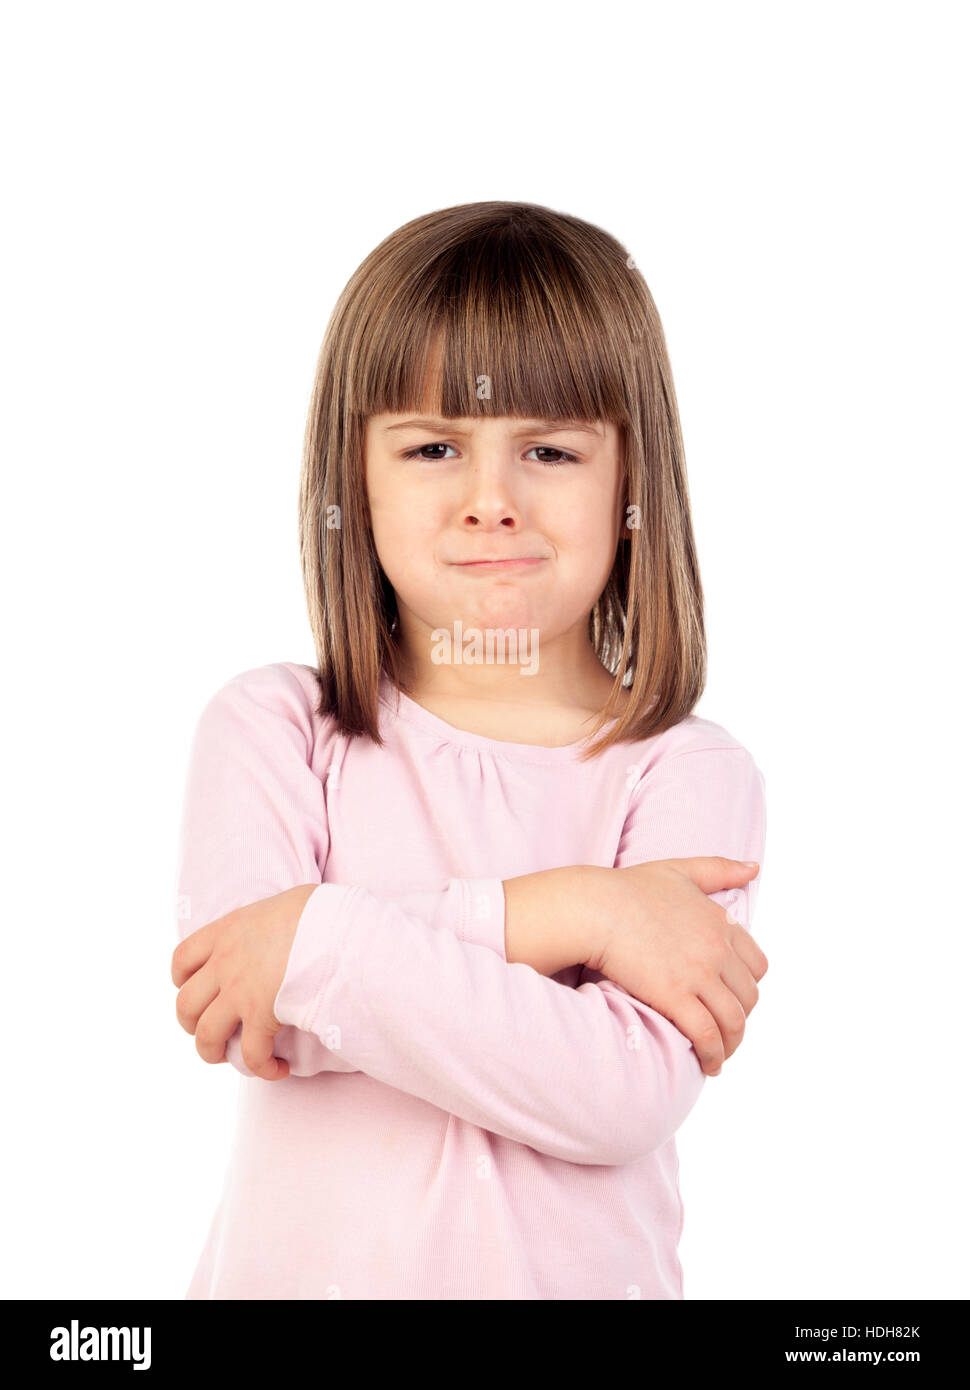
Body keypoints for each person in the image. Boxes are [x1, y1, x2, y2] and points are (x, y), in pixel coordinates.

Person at [171, 200, 769, 1300]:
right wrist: (579, 911)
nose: (491, 502)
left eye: (548, 449)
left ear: (631, 485)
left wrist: (317, 937)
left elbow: (616, 1094)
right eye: (434, 447)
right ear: (357, 479)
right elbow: (240, 1001)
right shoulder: (276, 731)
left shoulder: (683, 771)